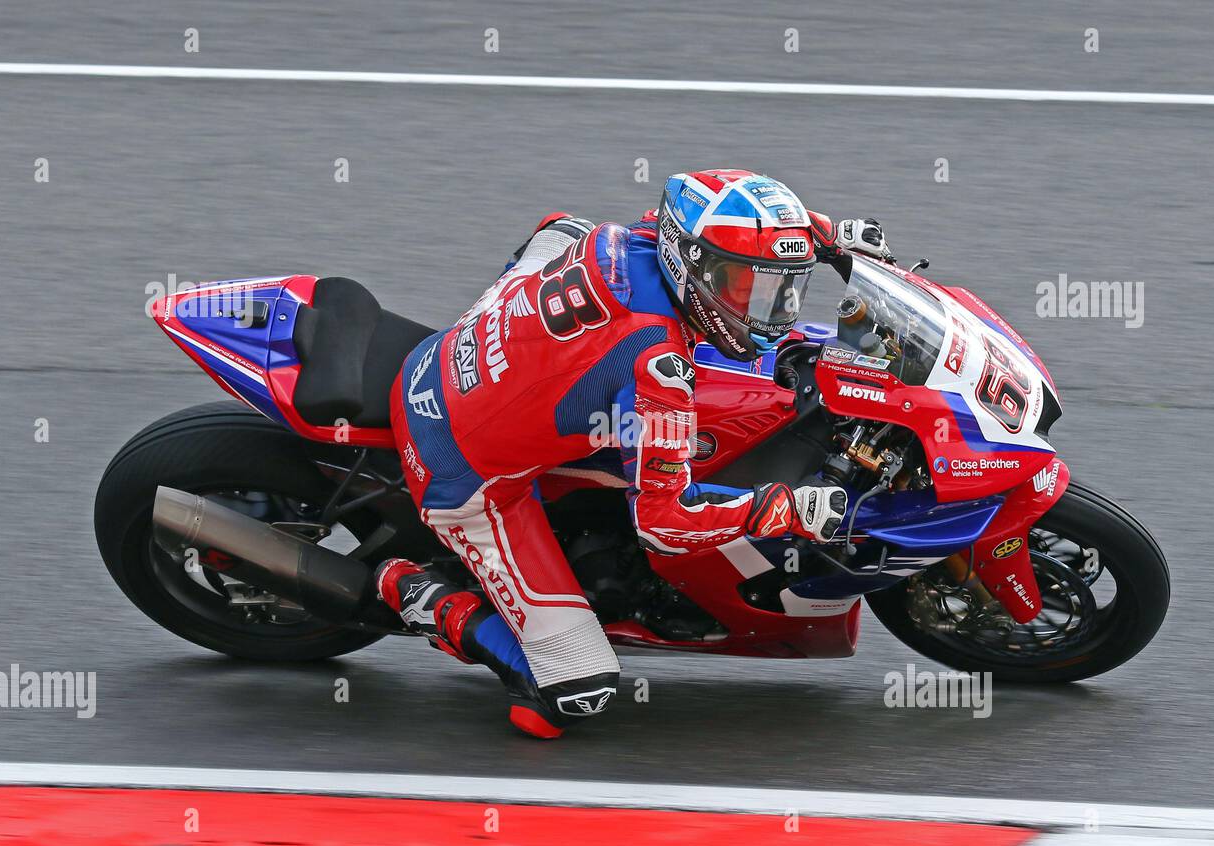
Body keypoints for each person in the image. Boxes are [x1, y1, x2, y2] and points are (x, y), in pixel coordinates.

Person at [375, 169, 891, 738]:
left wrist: (829, 237)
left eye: (778, 285)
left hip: (466, 351)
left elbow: (723, 233)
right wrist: (785, 509)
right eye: (745, 286)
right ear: (691, 263)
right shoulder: (657, 366)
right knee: (578, 690)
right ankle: (409, 590)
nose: (770, 309)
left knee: (566, 229)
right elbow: (665, 524)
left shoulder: (640, 242)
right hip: (458, 462)